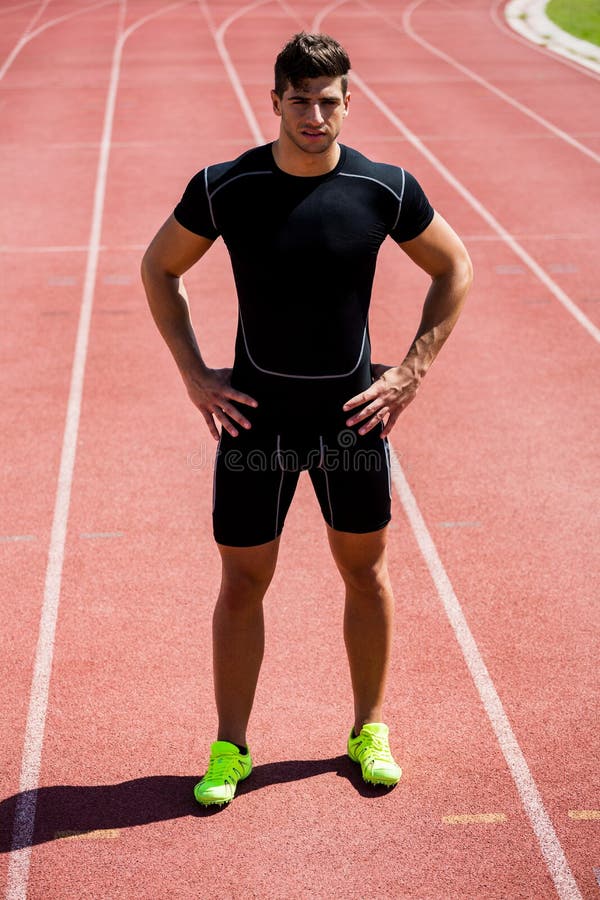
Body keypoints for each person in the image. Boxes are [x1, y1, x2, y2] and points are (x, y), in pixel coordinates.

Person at [141, 31, 472, 806]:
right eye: (300, 101)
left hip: (349, 424)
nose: (315, 115)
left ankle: (368, 730)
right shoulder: (226, 187)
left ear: (349, 101)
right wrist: (194, 374)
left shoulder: (385, 188)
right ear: (276, 102)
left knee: (364, 571)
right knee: (243, 581)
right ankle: (231, 748)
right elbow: (160, 266)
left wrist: (414, 368)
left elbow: (455, 265)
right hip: (254, 423)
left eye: (329, 101)